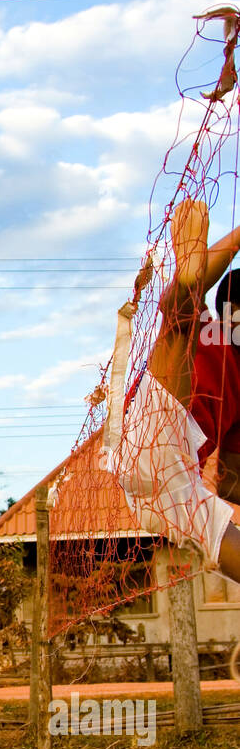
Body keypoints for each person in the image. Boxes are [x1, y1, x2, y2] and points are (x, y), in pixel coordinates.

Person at [107, 198, 240, 580]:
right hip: (169, 460)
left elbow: (230, 483)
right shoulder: (220, 346)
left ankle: (188, 283)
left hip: (144, 446)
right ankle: (187, 285)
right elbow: (232, 482)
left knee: (181, 325)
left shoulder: (214, 332)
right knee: (182, 324)